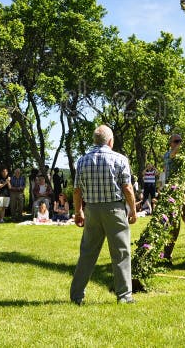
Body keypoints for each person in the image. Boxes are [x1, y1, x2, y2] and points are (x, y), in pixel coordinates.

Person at [70, 125, 137, 305]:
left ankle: (77, 296)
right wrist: (133, 210)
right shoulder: (120, 159)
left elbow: (77, 191)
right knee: (121, 253)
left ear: (95, 140)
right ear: (110, 141)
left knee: (87, 253)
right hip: (114, 210)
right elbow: (127, 188)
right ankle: (124, 296)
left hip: (91, 209)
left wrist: (79, 211)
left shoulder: (82, 161)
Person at [162, 133, 185, 261]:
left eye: (180, 141)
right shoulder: (168, 155)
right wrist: (182, 145)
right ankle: (167, 255)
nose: (179, 143)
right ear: (171, 143)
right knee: (173, 226)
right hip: (172, 193)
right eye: (176, 141)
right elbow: (172, 155)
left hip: (184, 193)